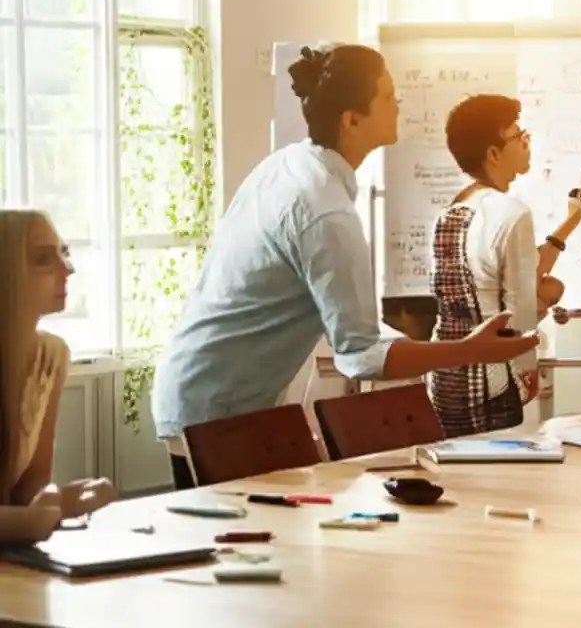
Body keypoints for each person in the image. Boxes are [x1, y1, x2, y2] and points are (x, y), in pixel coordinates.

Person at [152, 46, 537, 488]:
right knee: (244, 548)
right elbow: (360, 357)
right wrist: (471, 351)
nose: (400, 104)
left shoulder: (288, 165)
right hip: (215, 410)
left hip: (214, 393)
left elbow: (353, 332)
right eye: (389, 96)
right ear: (351, 120)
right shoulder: (325, 211)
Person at [430, 94, 581, 437]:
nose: (526, 143)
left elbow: (520, 268)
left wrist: (572, 219)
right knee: (498, 477)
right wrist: (527, 370)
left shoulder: (452, 212)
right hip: (493, 379)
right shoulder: (513, 212)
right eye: (518, 136)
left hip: (445, 377)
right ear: (494, 153)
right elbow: (519, 309)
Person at [0, 209, 115, 544]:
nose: (68, 269)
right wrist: (34, 519)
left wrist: (62, 502)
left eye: (64, 253)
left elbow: (27, 497)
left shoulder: (51, 357)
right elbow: (26, 518)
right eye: (43, 259)